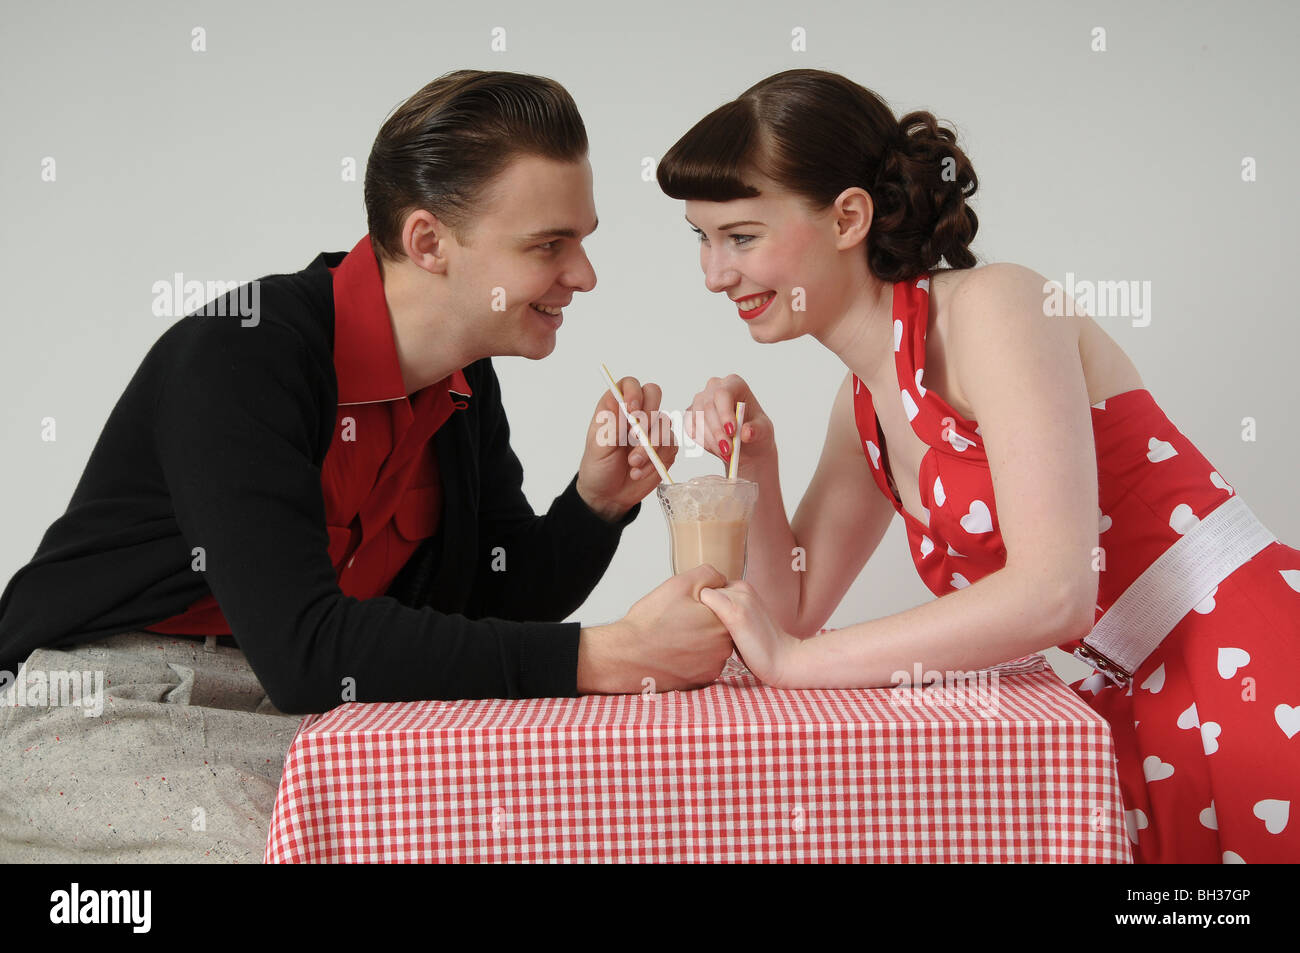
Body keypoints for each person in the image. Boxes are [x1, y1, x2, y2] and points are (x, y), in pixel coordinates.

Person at [0, 69, 731, 862]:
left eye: (583, 239)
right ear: (428, 242)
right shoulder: (242, 355)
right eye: (549, 244)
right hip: (112, 701)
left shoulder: (462, 383)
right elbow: (307, 648)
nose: (584, 274)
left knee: (532, 809)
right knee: (310, 844)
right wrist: (609, 652)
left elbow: (495, 603)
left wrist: (593, 505)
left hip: (301, 710)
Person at [656, 68, 1300, 863]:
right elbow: (791, 610)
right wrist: (758, 463)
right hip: (1150, 694)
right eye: (702, 239)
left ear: (848, 216)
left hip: (1256, 668)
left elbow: (1055, 593)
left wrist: (798, 663)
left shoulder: (995, 307)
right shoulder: (861, 402)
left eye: (742, 236)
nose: (715, 274)